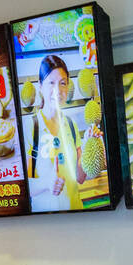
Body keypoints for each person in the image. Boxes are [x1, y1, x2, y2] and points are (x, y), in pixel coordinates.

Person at [26, 54, 87, 212]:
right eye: (51, 83)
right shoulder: (31, 127)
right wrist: (47, 182)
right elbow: (25, 187)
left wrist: (89, 144)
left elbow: (80, 178)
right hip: (46, 224)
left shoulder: (72, 126)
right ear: (40, 86)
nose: (58, 91)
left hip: (77, 216)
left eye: (62, 83)